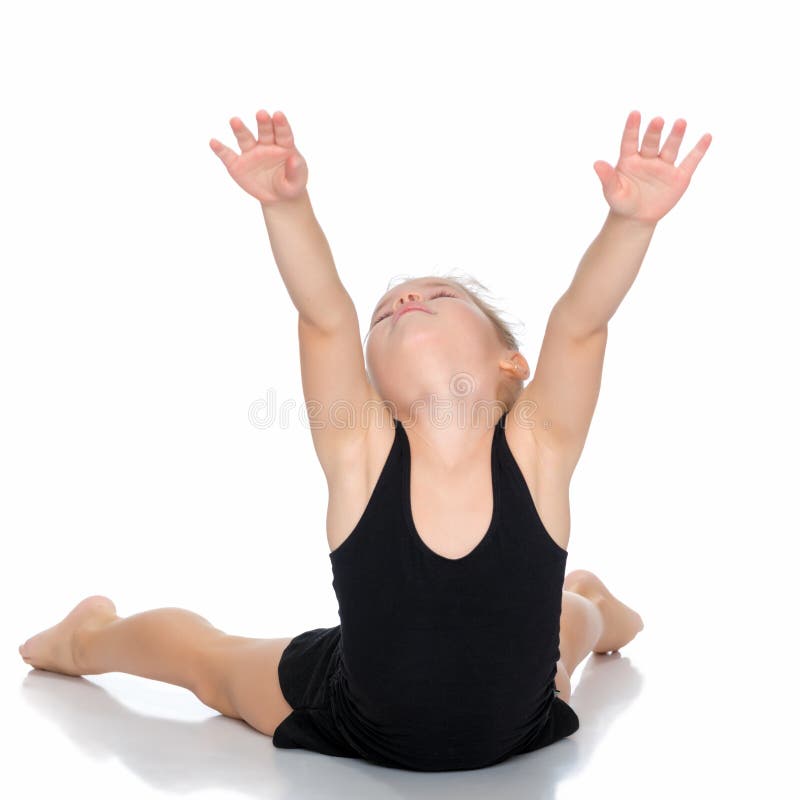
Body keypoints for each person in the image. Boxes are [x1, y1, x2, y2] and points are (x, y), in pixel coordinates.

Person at [18, 108, 710, 771]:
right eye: (386, 312)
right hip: (354, 715)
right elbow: (324, 317)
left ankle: (597, 600)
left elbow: (582, 324)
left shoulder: (538, 450)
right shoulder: (363, 453)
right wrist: (287, 206)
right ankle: (87, 637)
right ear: (371, 384)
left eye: (440, 296)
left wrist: (630, 222)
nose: (406, 300)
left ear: (511, 363)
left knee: (567, 627)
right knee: (210, 664)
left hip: (520, 719)